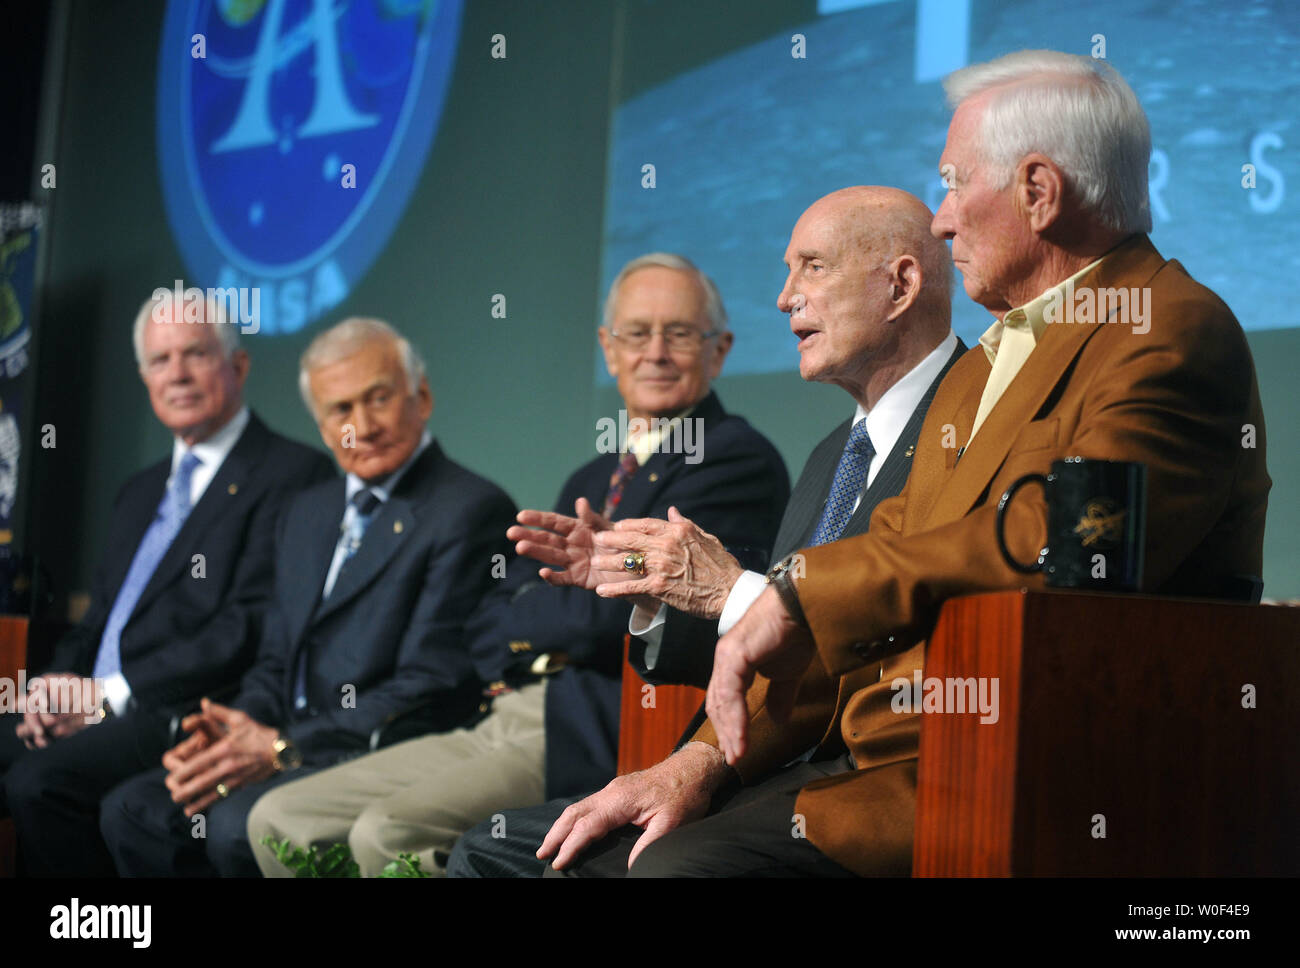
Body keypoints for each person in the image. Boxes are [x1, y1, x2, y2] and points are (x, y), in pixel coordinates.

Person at [535, 49, 1271, 877]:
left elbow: (1071, 540)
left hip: (1015, 778)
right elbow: (867, 570)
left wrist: (786, 592)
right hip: (867, 767)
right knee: (547, 856)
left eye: (956, 184)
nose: (945, 217)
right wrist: (696, 763)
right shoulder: (989, 367)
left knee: (661, 872)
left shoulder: (1169, 329)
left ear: (1039, 191)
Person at [448, 186, 965, 877]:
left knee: (657, 869)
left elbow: (895, 634)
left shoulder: (969, 426)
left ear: (901, 285)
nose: (785, 298)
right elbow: (774, 648)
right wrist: (657, 594)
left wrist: (727, 590)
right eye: (787, 271)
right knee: (494, 849)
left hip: (871, 775)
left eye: (812, 267)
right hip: (758, 757)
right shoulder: (829, 456)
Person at [246, 253, 790, 876]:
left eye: (680, 334)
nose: (655, 352)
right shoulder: (594, 474)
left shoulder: (734, 458)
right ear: (608, 350)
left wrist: (554, 611)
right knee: (281, 820)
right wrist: (559, 610)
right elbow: (496, 617)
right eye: (636, 334)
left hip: (595, 725)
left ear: (719, 350)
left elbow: (617, 617)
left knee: (387, 834)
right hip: (505, 706)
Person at [97, 317, 517, 876]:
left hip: (370, 753)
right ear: (321, 426)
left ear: (422, 397)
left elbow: (429, 687)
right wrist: (232, 735)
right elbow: (276, 660)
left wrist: (279, 745)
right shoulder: (307, 511)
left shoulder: (468, 509)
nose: (361, 427)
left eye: (380, 399)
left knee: (230, 827)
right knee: (132, 809)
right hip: (282, 740)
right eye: (340, 411)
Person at [0, 290, 332, 877]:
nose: (176, 374)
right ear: (144, 375)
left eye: (195, 354)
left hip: (179, 709)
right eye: (160, 360)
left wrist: (107, 697)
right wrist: (57, 685)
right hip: (95, 701)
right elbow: (101, 618)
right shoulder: (138, 490)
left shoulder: (295, 474)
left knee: (39, 783)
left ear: (239, 366)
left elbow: (249, 623)